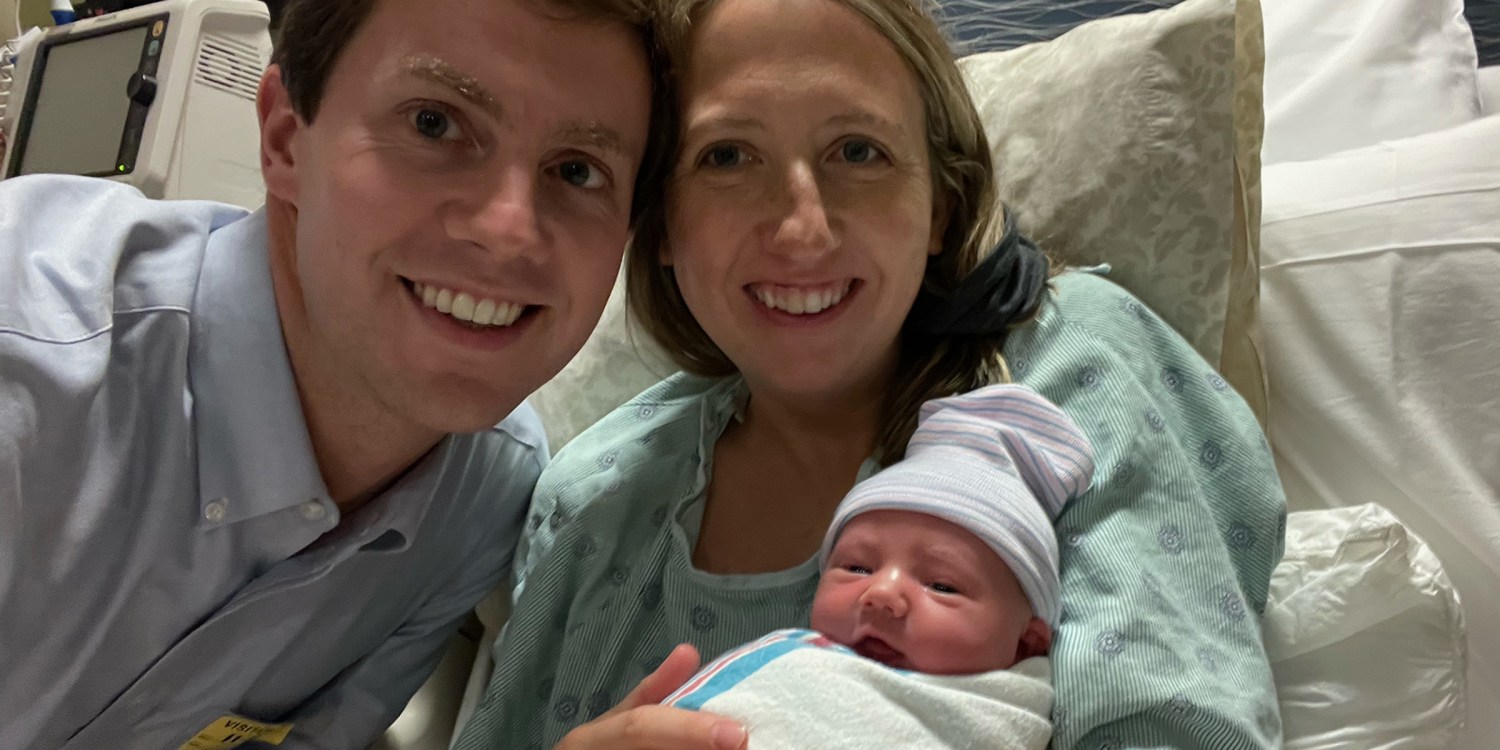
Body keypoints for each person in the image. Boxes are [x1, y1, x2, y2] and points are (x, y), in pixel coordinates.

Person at [453, 0, 1287, 746]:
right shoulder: (598, 503)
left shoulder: (1064, 376)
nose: (802, 230)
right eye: (728, 156)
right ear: (663, 223)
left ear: (942, 207)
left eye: (859, 151)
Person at [0, 0, 666, 745]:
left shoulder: (485, 497)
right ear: (285, 137)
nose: (509, 229)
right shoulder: (29, 369)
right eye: (433, 124)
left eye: (578, 171)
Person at [660, 384, 1094, 750]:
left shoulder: (995, 721)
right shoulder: (794, 669)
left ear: (1026, 644)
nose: (881, 594)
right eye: (857, 568)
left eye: (942, 586)